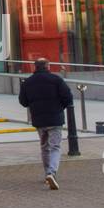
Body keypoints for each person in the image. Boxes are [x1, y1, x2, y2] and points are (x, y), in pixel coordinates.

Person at [18, 57, 74, 189]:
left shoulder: (27, 82)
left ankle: (47, 174)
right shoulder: (56, 80)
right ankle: (51, 173)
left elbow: (23, 101)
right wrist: (60, 107)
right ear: (48, 67)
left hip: (39, 120)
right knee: (55, 146)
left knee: (44, 147)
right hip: (55, 118)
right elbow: (68, 97)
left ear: (35, 67)